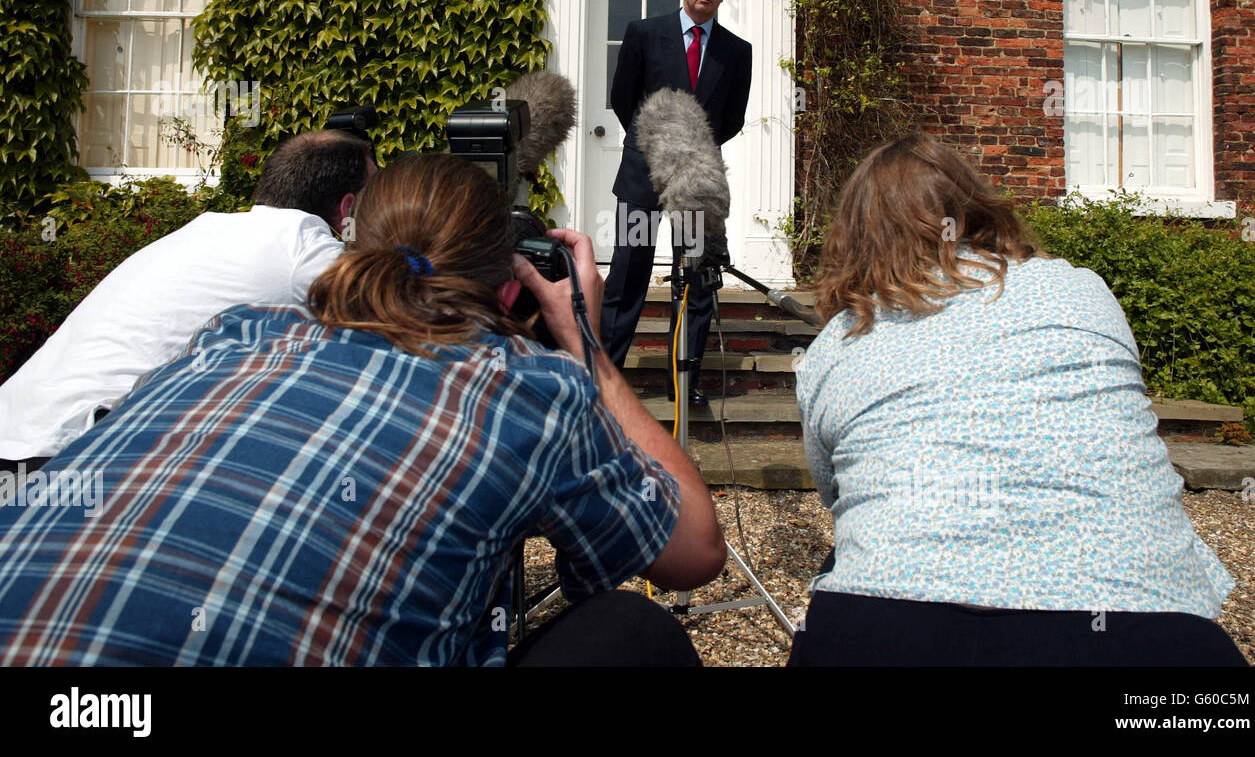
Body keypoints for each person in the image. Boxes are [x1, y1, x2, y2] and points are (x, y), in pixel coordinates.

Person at [0, 152, 726, 666]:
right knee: (632, 632)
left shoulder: (236, 333)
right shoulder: (528, 388)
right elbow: (695, 548)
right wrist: (585, 345)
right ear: (511, 287)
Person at [788, 133, 1245, 666]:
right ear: (972, 208)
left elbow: (834, 490)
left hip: (881, 626)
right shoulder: (1081, 291)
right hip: (1143, 624)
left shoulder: (836, 344)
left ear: (855, 234)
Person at [0, 130, 375, 470]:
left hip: (19, 425)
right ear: (346, 209)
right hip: (68, 449)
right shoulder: (300, 247)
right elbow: (401, 300)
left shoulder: (209, 229)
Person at [602, 0, 752, 406]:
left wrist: (691, 154)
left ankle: (683, 384)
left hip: (696, 186)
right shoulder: (644, 34)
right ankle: (607, 378)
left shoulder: (736, 51)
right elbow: (623, 98)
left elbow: (731, 119)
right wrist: (659, 146)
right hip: (643, 175)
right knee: (629, 272)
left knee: (694, 279)